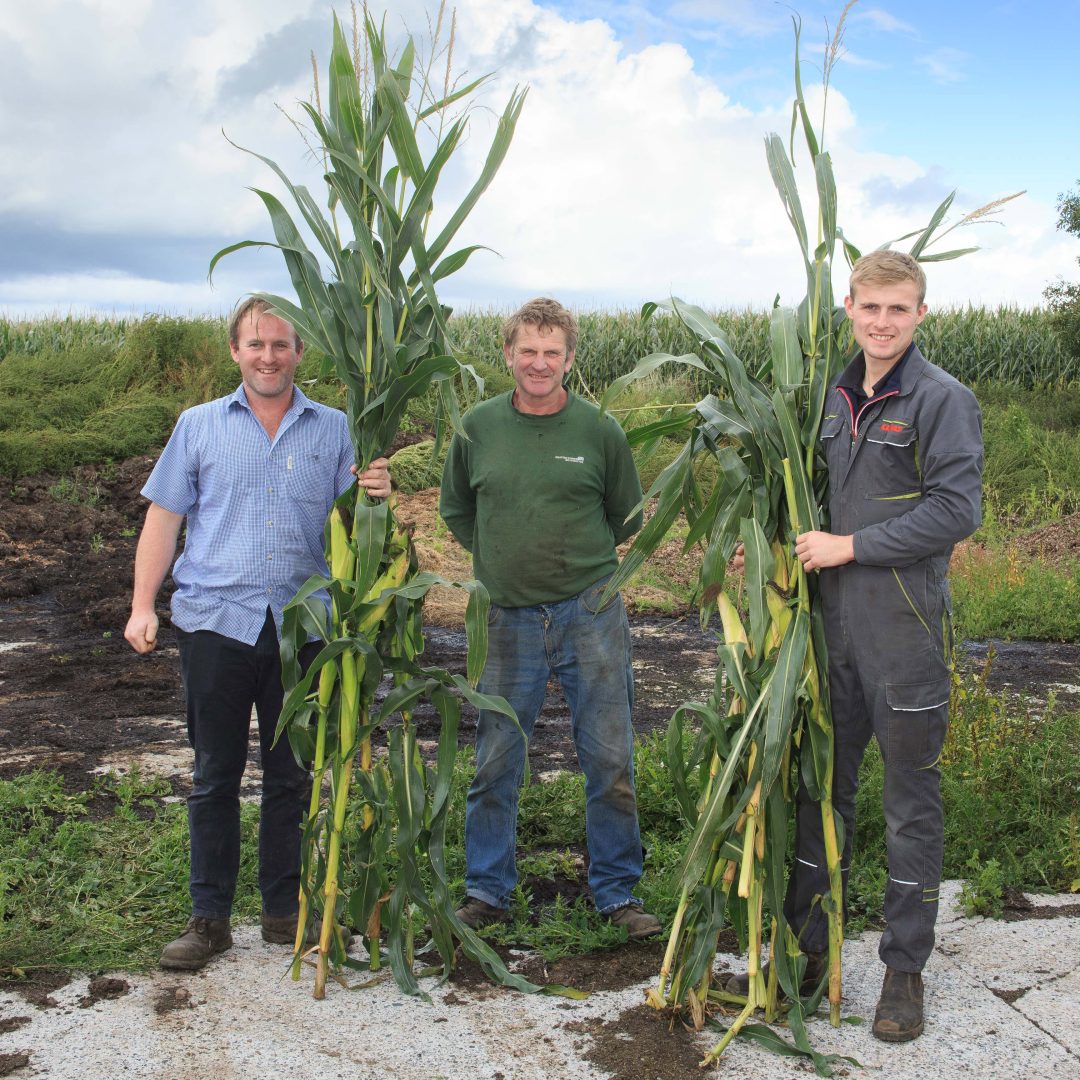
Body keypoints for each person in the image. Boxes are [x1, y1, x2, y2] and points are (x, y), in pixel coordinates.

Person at [730, 250, 984, 1042]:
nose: (882, 322)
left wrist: (852, 547)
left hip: (904, 635)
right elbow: (808, 493)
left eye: (898, 308)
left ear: (921, 314)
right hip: (829, 635)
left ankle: (903, 972)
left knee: (909, 807)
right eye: (870, 307)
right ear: (849, 308)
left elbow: (957, 510)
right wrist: (767, 546)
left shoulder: (941, 399)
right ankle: (810, 951)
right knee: (820, 794)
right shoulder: (831, 399)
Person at [124, 297, 390, 971]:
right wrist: (142, 605)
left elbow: (359, 522)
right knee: (214, 775)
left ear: (299, 352)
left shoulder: (336, 429)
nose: (268, 356)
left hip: (305, 626)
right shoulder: (199, 426)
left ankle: (282, 911)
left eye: (280, 344)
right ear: (235, 351)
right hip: (216, 621)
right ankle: (208, 920)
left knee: (290, 775)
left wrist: (378, 492)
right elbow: (164, 519)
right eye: (255, 344)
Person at [439, 297, 661, 940]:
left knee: (610, 758)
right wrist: (501, 559)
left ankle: (616, 893)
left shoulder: (599, 430)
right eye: (528, 351)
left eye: (552, 352)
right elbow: (457, 509)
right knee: (495, 759)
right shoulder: (477, 427)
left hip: (589, 612)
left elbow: (626, 515)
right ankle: (487, 890)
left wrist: (576, 567)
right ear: (508, 354)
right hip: (504, 617)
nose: (539, 363)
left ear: (569, 358)